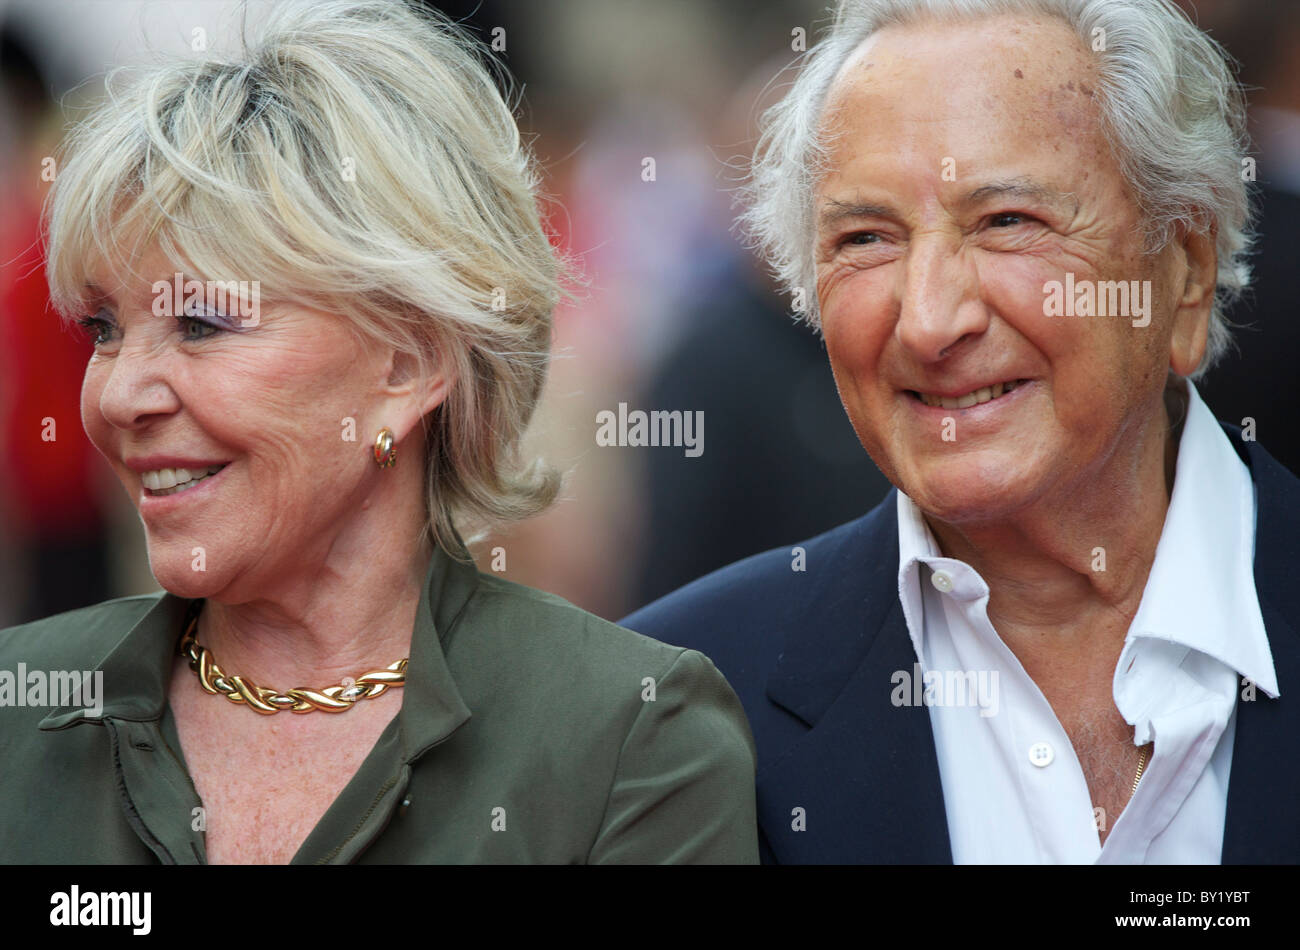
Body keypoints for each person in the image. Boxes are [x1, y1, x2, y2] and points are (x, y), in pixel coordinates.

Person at [0, 0, 757, 865]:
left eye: (202, 322)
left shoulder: (632, 741)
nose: (120, 393)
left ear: (407, 364)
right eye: (102, 327)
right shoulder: (21, 708)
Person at [624, 0, 1299, 864]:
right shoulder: (676, 701)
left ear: (1187, 272)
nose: (930, 321)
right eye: (866, 238)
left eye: (1007, 222)